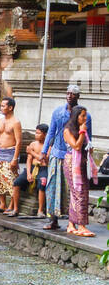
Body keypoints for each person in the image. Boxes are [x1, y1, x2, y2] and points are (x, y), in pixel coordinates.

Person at [43, 83, 93, 230]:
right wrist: (43, 152)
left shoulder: (85, 115)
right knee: (52, 187)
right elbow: (51, 132)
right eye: (68, 93)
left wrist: (88, 154)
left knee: (72, 190)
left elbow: (88, 137)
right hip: (57, 153)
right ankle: (53, 219)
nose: (69, 96)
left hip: (75, 156)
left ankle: (73, 221)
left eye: (73, 93)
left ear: (78, 96)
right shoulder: (58, 112)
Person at [63, 104, 94, 237]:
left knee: (80, 193)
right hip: (72, 163)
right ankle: (81, 225)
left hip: (81, 162)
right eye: (82, 115)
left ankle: (71, 224)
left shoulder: (82, 129)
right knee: (78, 193)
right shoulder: (67, 130)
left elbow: (86, 146)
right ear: (76, 117)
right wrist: (82, 132)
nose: (85, 118)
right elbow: (76, 146)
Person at [0, 96, 22, 214]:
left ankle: (14, 206)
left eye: (4, 106)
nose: (1, 108)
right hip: (0, 152)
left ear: (10, 107)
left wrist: (15, 158)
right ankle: (3, 204)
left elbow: (19, 141)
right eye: (1, 106)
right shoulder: (0, 121)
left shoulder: (16, 122)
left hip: (10, 153)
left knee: (11, 181)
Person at [14, 123, 49, 218]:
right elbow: (29, 160)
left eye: (38, 133)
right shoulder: (33, 144)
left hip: (43, 168)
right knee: (16, 182)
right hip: (32, 167)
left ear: (45, 134)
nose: (36, 135)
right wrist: (28, 173)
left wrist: (31, 152)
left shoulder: (48, 146)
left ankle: (40, 210)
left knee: (42, 184)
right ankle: (15, 208)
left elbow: (44, 159)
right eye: (36, 133)